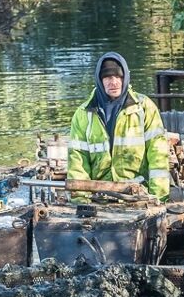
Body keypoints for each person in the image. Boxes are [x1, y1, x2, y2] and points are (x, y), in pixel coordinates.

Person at [67, 52, 170, 201]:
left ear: (125, 78)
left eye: (118, 77)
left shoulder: (144, 108)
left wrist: (158, 198)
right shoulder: (83, 114)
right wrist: (81, 202)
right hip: (99, 198)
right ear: (99, 80)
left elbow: (158, 154)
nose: (113, 82)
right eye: (108, 77)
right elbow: (78, 161)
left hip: (138, 196)